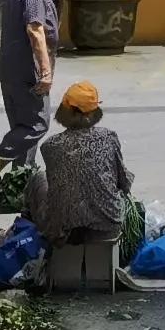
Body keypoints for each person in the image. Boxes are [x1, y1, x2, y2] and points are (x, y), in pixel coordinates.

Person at [33, 83, 129, 246]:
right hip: (108, 225)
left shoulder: (49, 146)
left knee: (37, 179)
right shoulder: (109, 137)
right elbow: (123, 182)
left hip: (63, 231)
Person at [0, 0, 61, 166]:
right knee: (37, 125)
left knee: (22, 127)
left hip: (10, 70)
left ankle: (20, 180)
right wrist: (45, 72)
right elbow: (35, 29)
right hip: (27, 73)